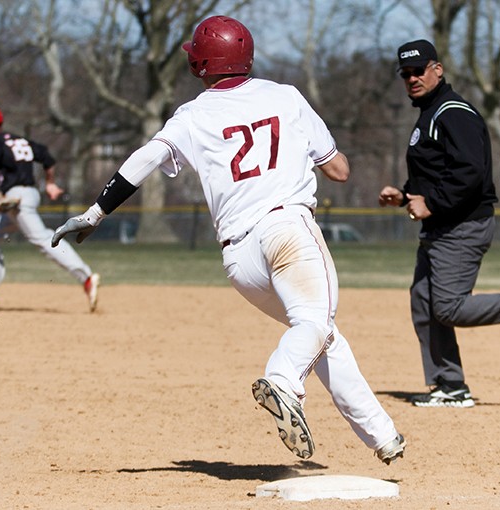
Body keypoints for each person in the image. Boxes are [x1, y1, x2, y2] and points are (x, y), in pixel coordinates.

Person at [52, 15, 405, 464]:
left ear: (201, 62)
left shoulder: (192, 115)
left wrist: (96, 211)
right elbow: (339, 170)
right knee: (314, 324)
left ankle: (382, 435)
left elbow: (146, 158)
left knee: (319, 334)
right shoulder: (285, 96)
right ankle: (282, 380)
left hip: (240, 260)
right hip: (287, 233)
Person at [378, 40, 500, 408]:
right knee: (423, 302)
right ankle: (450, 386)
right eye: (406, 73)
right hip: (441, 227)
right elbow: (437, 171)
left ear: (438, 69)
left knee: (448, 307)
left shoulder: (453, 112)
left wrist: (431, 203)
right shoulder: (430, 114)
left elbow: (471, 172)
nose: (412, 78)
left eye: (419, 70)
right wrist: (404, 197)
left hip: (461, 226)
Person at [0, 106, 100, 312]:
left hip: (16, 197)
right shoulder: (20, 140)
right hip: (28, 195)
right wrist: (49, 183)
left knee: (44, 239)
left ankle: (87, 278)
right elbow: (47, 157)